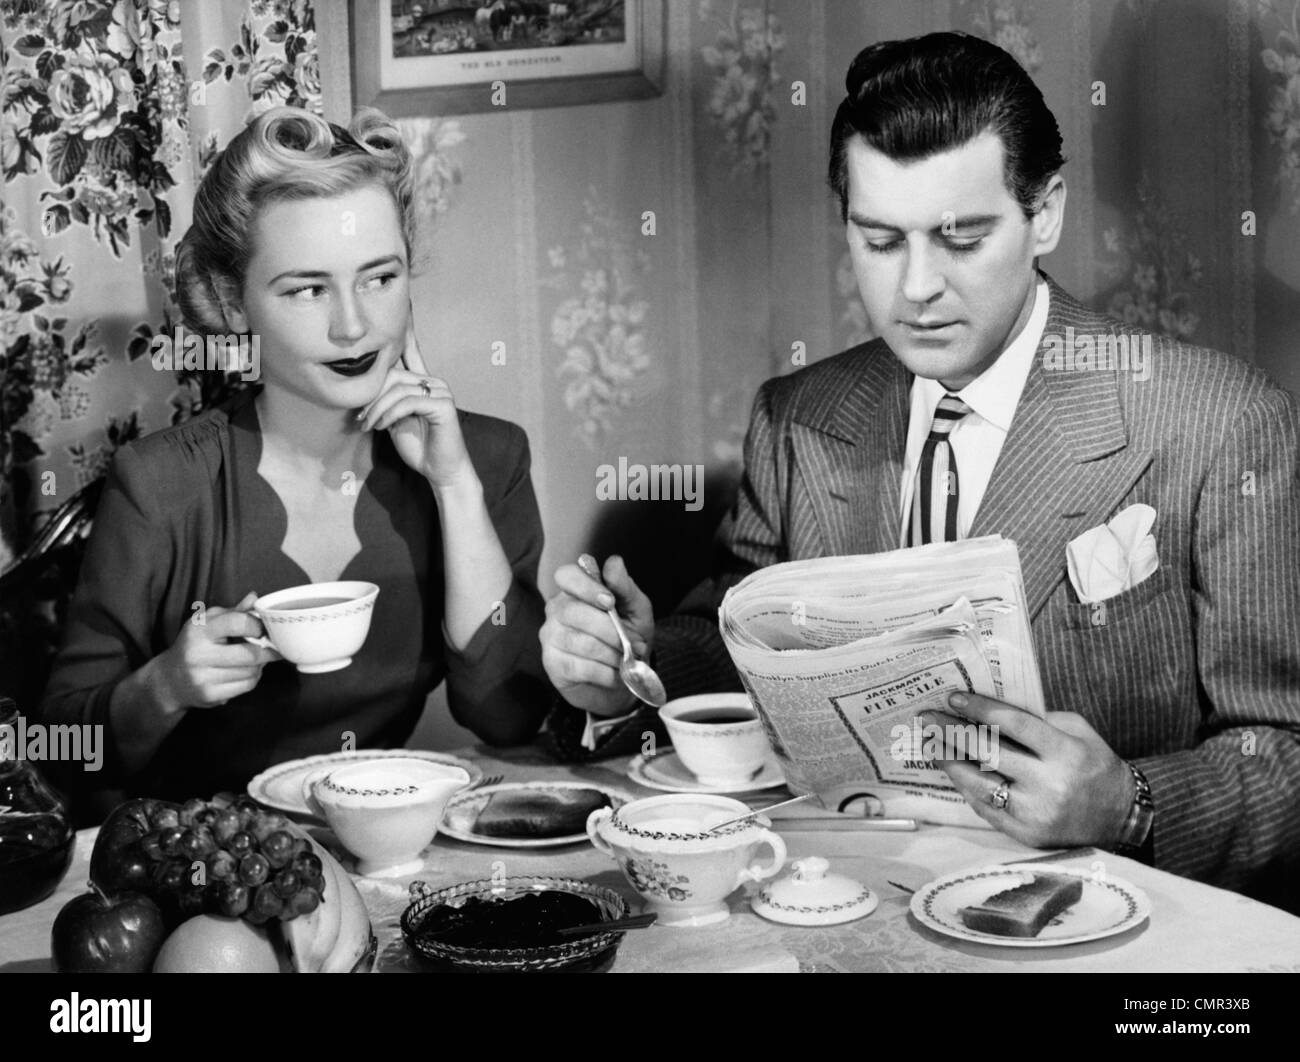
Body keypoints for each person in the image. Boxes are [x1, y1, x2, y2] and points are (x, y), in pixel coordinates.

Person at [540, 32, 1300, 909]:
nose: (916, 289)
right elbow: (752, 638)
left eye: (962, 239)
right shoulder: (799, 415)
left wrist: (1127, 803)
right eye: (879, 240)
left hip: (1094, 932)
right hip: (837, 904)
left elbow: (1284, 752)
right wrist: (634, 662)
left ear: (1045, 212)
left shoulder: (1221, 421)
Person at [37, 107, 550, 807]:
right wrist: (165, 685)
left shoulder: (485, 459)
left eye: (380, 277)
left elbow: (510, 718)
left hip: (381, 849)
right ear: (231, 298)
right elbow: (62, 750)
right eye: (308, 289)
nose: (354, 324)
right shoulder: (162, 484)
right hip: (194, 865)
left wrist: (454, 487)